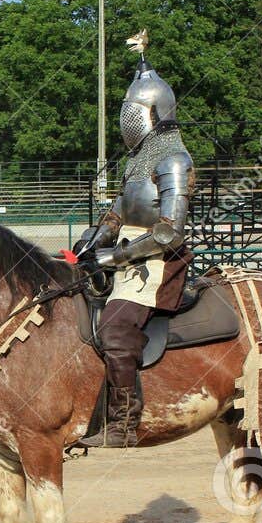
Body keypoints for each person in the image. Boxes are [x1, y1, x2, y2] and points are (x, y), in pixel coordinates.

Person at [73, 30, 195, 447]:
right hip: (125, 252)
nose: (127, 122)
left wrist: (113, 259)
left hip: (157, 261)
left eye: (132, 113)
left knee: (115, 326)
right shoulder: (137, 162)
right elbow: (119, 212)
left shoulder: (175, 160)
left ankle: (124, 424)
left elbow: (168, 230)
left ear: (153, 113)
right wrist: (93, 240)